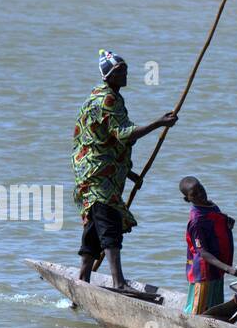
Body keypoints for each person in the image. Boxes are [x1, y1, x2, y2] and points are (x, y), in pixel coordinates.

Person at [72, 50, 177, 289]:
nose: (126, 73)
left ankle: (83, 278)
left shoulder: (105, 96)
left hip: (96, 173)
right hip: (98, 175)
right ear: (109, 75)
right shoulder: (106, 99)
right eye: (120, 71)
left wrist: (129, 174)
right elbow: (123, 133)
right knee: (109, 227)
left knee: (94, 228)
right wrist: (158, 123)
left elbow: (106, 139)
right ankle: (118, 282)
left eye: (126, 69)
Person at [180, 176, 235, 315]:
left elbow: (216, 221)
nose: (201, 195)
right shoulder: (196, 221)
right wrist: (228, 268)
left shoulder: (211, 206)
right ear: (188, 199)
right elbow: (202, 252)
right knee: (197, 310)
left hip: (217, 268)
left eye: (201, 189)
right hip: (204, 272)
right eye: (194, 194)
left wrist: (227, 221)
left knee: (215, 306)